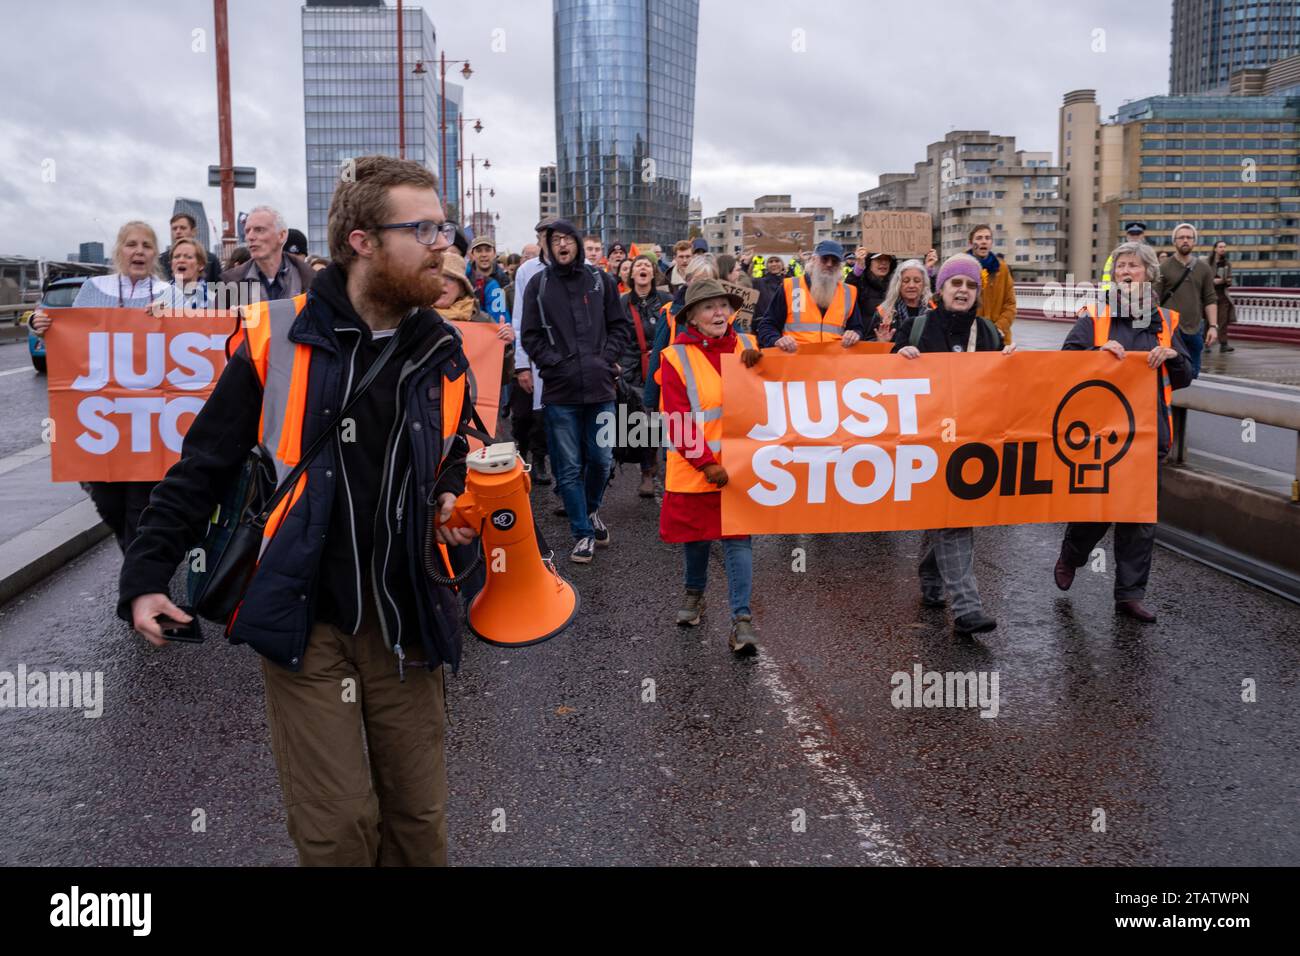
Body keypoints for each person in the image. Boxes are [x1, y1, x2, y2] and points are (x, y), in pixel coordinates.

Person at [119, 155, 480, 867]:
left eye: (446, 226)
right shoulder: (275, 338)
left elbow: (453, 457)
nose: (445, 243)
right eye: (426, 228)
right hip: (306, 617)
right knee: (338, 830)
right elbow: (204, 465)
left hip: (406, 616)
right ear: (363, 241)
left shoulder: (442, 349)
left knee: (420, 828)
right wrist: (146, 574)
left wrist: (453, 493)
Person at [1054, 241, 1192, 623]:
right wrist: (1097, 355)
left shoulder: (1165, 321)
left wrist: (1174, 357)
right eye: (1120, 268)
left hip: (1149, 436)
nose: (1126, 273)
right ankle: (1072, 553)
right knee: (1098, 511)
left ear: (1149, 274)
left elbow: (1185, 377)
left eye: (1134, 267)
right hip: (1102, 436)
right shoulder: (1095, 317)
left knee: (1139, 520)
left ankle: (1129, 596)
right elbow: (1063, 366)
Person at [892, 254, 1016, 638]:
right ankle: (967, 607)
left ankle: (932, 578)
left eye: (970, 286)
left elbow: (1001, 388)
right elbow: (883, 385)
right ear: (941, 289)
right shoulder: (915, 328)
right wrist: (899, 358)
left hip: (969, 442)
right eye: (955, 284)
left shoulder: (991, 333)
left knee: (950, 515)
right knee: (949, 516)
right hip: (926, 441)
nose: (963, 291)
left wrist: (1012, 363)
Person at [31, 221, 172, 553]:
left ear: (155, 254)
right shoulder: (95, 288)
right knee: (109, 502)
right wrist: (43, 327)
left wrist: (176, 318)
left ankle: (138, 586)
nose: (139, 251)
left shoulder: (171, 293)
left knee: (141, 505)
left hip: (148, 422)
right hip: (104, 419)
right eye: (131, 244)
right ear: (119, 251)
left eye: (147, 245)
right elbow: (73, 337)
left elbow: (196, 336)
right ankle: (139, 573)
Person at [658, 278, 760, 656]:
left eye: (723, 306)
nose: (719, 313)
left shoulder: (750, 346)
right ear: (694, 319)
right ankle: (695, 592)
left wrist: (775, 359)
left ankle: (742, 620)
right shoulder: (675, 357)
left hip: (740, 467)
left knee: (738, 540)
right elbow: (677, 419)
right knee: (697, 538)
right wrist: (705, 463)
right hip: (695, 468)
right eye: (708, 307)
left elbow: (783, 392)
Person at [520, 219, 631, 563]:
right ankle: (582, 532)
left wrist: (605, 358)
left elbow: (619, 325)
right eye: (556, 241)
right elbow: (530, 335)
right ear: (548, 247)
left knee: (601, 459)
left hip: (599, 389)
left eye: (568, 239)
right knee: (567, 467)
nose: (563, 246)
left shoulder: (601, 281)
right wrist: (552, 363)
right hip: (560, 391)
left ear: (578, 244)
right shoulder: (538, 284)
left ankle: (592, 509)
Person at [435, 249, 516, 413]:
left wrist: (504, 347)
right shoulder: (416, 319)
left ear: (462, 286)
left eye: (450, 278)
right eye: (437, 277)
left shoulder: (482, 320)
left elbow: (502, 378)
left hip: (471, 414)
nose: (442, 283)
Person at [755, 239, 871, 350]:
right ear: (814, 260)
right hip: (796, 362)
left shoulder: (848, 292)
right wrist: (777, 340)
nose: (829, 264)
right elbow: (767, 325)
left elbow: (857, 328)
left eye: (834, 261)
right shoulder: (790, 287)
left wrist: (854, 334)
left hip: (833, 363)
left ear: (840, 265)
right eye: (824, 259)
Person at [620, 255, 672, 497]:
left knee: (666, 419)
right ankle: (647, 473)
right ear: (631, 275)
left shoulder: (666, 301)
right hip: (632, 369)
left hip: (662, 366)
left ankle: (668, 467)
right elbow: (616, 334)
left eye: (646, 265)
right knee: (642, 420)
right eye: (637, 265)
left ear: (653, 273)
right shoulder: (621, 303)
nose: (642, 268)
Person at [644, 252, 719, 411]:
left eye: (709, 281)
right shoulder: (671, 313)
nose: (703, 287)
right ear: (688, 280)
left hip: (715, 398)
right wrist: (650, 402)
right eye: (699, 281)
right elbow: (658, 357)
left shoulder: (728, 315)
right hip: (678, 395)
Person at [510, 224, 552, 484]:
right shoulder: (527, 271)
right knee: (526, 413)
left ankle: (543, 460)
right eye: (545, 237)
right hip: (532, 348)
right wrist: (522, 364)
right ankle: (527, 455)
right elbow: (519, 317)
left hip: (559, 354)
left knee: (551, 415)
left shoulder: (574, 270)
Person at [1156, 223, 1217, 377]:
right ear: (1174, 241)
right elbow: (1154, 300)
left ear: (1194, 242)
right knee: (1169, 374)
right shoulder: (1163, 268)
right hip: (1170, 330)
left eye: (1189, 238)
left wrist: (1213, 326)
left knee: (1192, 373)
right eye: (1181, 237)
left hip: (1195, 329)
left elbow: (1210, 298)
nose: (1185, 240)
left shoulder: (1204, 269)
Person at [220, 205, 314, 304]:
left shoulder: (308, 279)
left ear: (281, 235)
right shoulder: (232, 282)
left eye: (259, 230)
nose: (250, 237)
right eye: (247, 231)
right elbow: (217, 318)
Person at [967, 224, 1016, 344]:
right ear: (970, 242)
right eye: (979, 238)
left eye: (987, 238)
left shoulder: (1002, 268)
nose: (983, 242)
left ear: (991, 243)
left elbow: (1010, 304)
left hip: (999, 336)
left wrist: (998, 328)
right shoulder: (962, 266)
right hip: (970, 335)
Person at [874, 258, 933, 343]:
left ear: (924, 284)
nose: (911, 285)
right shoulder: (884, 311)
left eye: (917, 281)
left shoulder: (934, 310)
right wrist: (881, 343)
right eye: (906, 281)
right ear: (898, 284)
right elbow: (869, 345)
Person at [157, 237, 218, 310]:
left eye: (188, 257)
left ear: (201, 265)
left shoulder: (212, 299)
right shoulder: (159, 293)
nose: (181, 260)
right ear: (171, 264)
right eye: (177, 257)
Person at [160, 213, 222, 282]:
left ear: (193, 231)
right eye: (174, 229)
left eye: (183, 228)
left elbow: (216, 289)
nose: (178, 231)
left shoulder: (211, 260)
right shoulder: (161, 260)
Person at [1100, 222, 1147, 295]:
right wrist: (1107, 292)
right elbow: (1107, 275)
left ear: (1143, 235)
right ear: (1127, 236)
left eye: (1138, 234)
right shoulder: (1116, 254)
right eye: (1132, 234)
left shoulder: (1148, 254)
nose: (1135, 236)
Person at [467, 236, 509, 316]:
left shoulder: (504, 280)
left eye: (488, 250)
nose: (484, 254)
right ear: (472, 254)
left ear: (494, 253)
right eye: (479, 251)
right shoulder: (466, 278)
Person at [848, 249, 895, 319]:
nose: (884, 263)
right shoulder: (861, 283)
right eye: (879, 259)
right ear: (869, 263)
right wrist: (857, 272)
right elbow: (848, 294)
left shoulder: (895, 285)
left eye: (887, 259)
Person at [1208, 240, 1236, 353]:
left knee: (1223, 320)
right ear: (1215, 249)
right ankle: (1206, 344)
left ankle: (1223, 344)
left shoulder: (1227, 263)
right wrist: (1214, 281)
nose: (1223, 249)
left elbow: (1229, 279)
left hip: (1222, 294)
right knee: (1209, 321)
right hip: (1210, 295)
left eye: (1224, 247)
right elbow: (1203, 280)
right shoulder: (1208, 263)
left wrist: (1228, 280)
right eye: (1220, 247)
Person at [754, 254, 785, 321]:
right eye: (770, 262)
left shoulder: (789, 282)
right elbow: (743, 282)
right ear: (766, 266)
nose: (774, 264)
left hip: (784, 325)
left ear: (782, 264)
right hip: (765, 325)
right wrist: (745, 264)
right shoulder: (759, 282)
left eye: (777, 261)